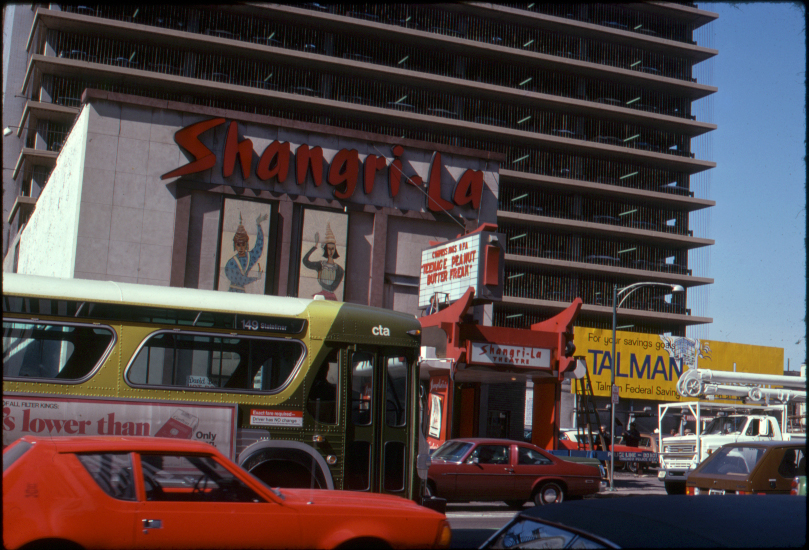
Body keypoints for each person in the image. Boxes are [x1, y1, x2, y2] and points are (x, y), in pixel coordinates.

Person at [302, 223, 345, 300]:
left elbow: (333, 286)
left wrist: (323, 285)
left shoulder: (339, 269)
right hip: (320, 296)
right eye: (328, 249)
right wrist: (315, 246)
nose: (331, 251)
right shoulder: (321, 264)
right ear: (325, 250)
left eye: (332, 249)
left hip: (331, 298)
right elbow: (305, 262)